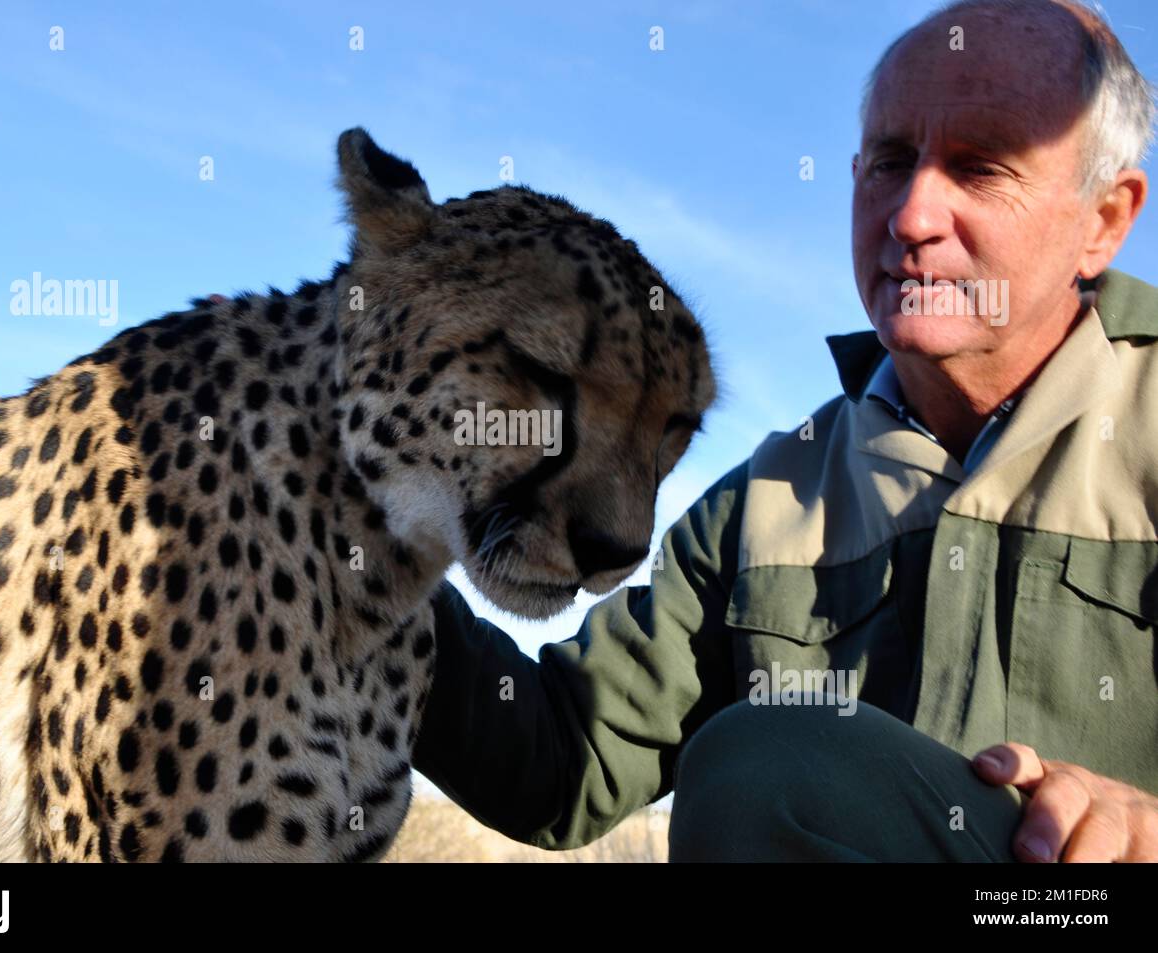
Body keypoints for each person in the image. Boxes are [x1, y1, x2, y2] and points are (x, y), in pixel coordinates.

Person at [411, 0, 1158, 862]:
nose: (912, 216)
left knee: (764, 761)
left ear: (1104, 220)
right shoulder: (765, 498)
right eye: (888, 162)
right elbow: (557, 760)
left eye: (981, 167)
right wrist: (339, 552)